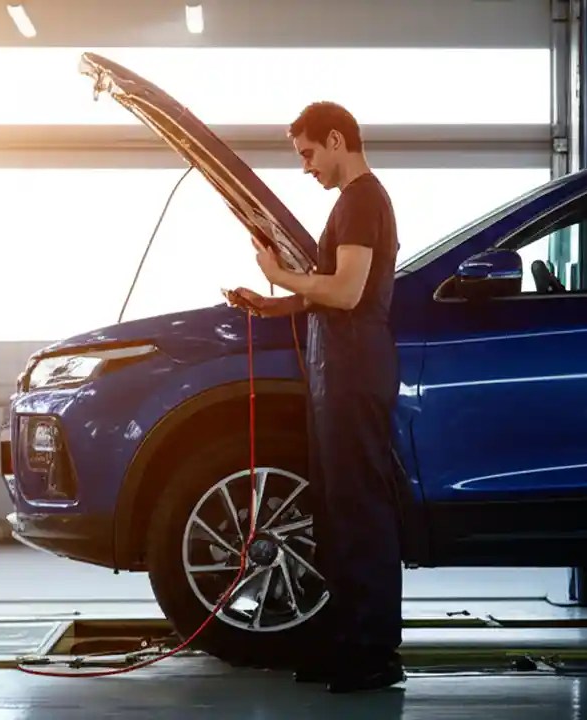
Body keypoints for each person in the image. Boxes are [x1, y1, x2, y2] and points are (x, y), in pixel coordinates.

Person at [229, 101, 404, 694]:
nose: (305, 167)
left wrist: (283, 277)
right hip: (339, 373)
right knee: (333, 511)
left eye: (308, 153)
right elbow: (325, 293)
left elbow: (349, 292)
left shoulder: (361, 201)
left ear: (336, 139)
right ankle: (346, 642)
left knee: (360, 512)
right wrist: (273, 302)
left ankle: (375, 653)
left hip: (355, 372)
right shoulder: (348, 205)